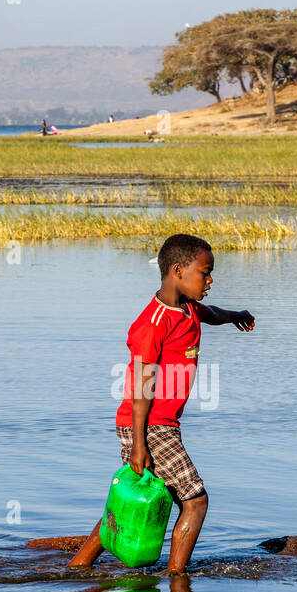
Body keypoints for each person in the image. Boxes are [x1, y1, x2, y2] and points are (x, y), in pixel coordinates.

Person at [69, 234, 255, 574]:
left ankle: (79, 566)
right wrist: (139, 443)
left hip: (161, 425)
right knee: (195, 501)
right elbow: (142, 388)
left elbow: (209, 313)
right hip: (149, 424)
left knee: (140, 495)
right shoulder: (151, 324)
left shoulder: (188, 308)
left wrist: (234, 315)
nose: (210, 280)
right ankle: (176, 577)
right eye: (205, 272)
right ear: (178, 270)